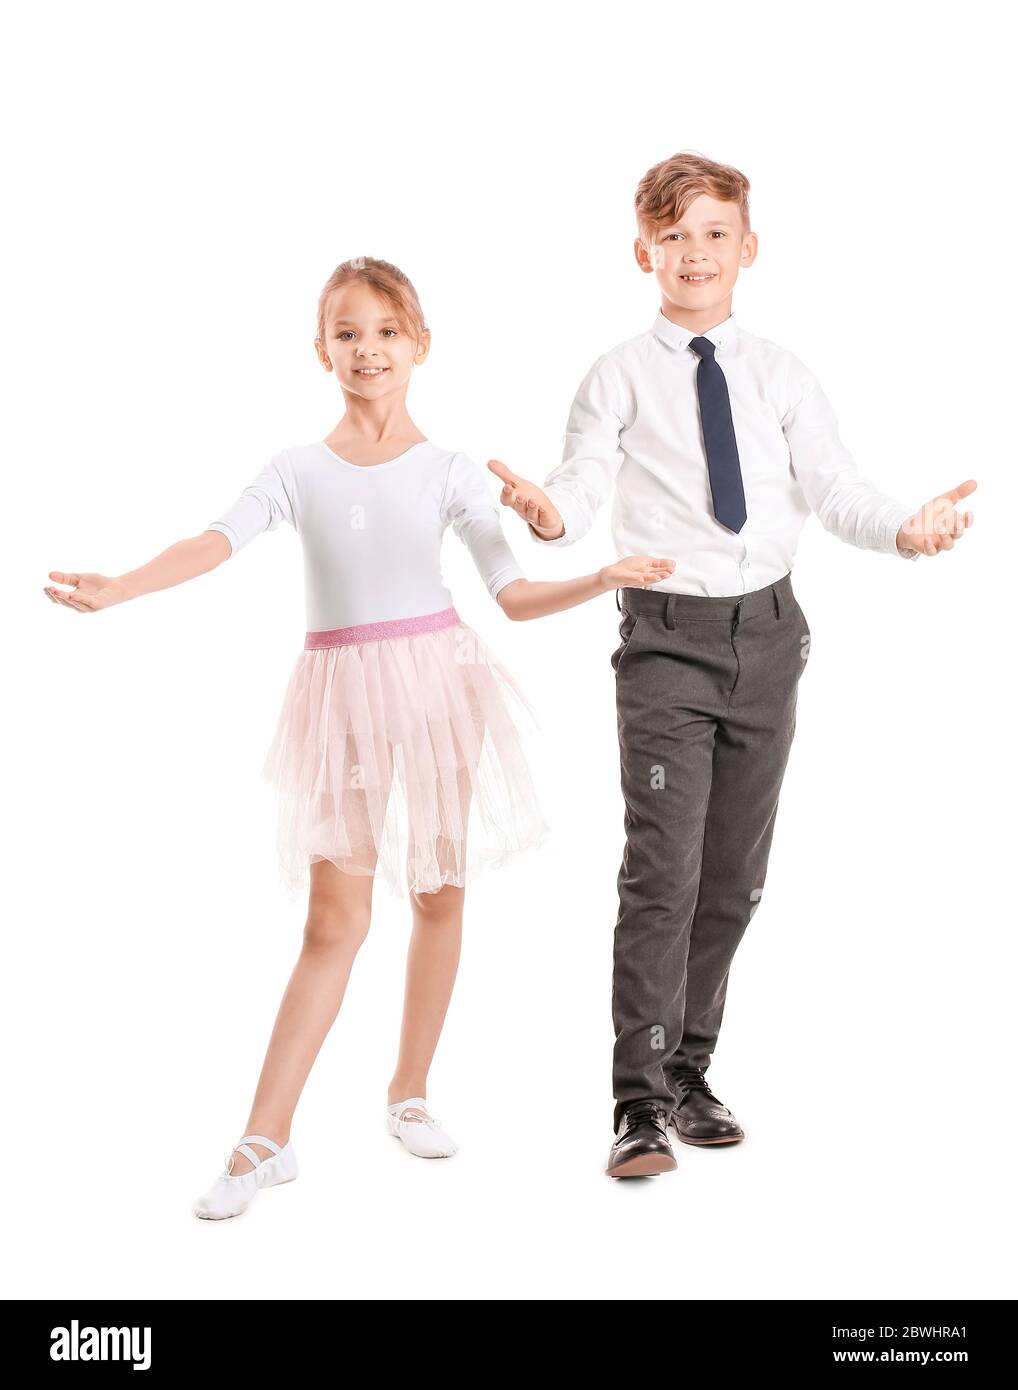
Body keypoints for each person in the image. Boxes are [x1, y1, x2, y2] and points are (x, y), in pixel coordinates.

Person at [42, 255, 673, 1217]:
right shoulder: (295, 469)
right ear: (321, 349)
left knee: (437, 889)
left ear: (420, 343)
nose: (367, 349)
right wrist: (124, 583)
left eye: (386, 331)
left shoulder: (453, 469)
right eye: (347, 332)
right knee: (333, 919)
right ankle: (266, 1137)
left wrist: (600, 578)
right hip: (338, 695)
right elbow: (216, 538)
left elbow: (512, 595)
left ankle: (409, 1090)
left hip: (439, 686)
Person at [488, 152, 976, 1179]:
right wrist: (549, 513)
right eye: (673, 236)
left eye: (713, 233)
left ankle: (687, 1072)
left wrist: (907, 531)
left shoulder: (782, 374)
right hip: (665, 641)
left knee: (732, 881)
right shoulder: (617, 373)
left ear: (746, 247)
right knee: (662, 874)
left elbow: (837, 487)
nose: (694, 253)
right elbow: (579, 482)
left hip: (767, 638)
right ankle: (634, 1103)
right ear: (642, 253)